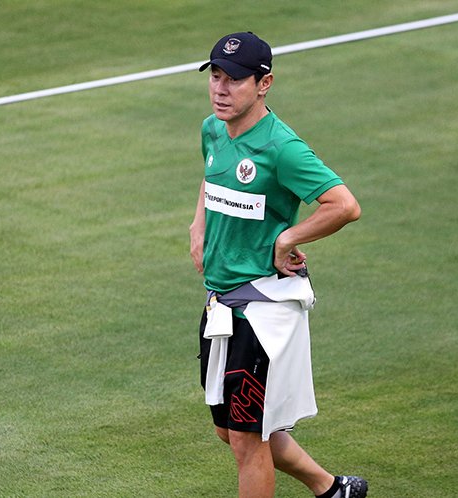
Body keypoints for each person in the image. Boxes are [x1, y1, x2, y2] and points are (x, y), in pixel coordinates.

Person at [189, 32, 366, 498]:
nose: (220, 89)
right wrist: (198, 221)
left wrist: (288, 236)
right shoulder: (213, 129)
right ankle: (331, 489)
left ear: (264, 84)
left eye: (235, 80)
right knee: (230, 431)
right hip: (220, 303)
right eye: (216, 77)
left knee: (249, 440)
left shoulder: (282, 148)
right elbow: (212, 175)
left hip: (261, 309)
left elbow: (344, 205)